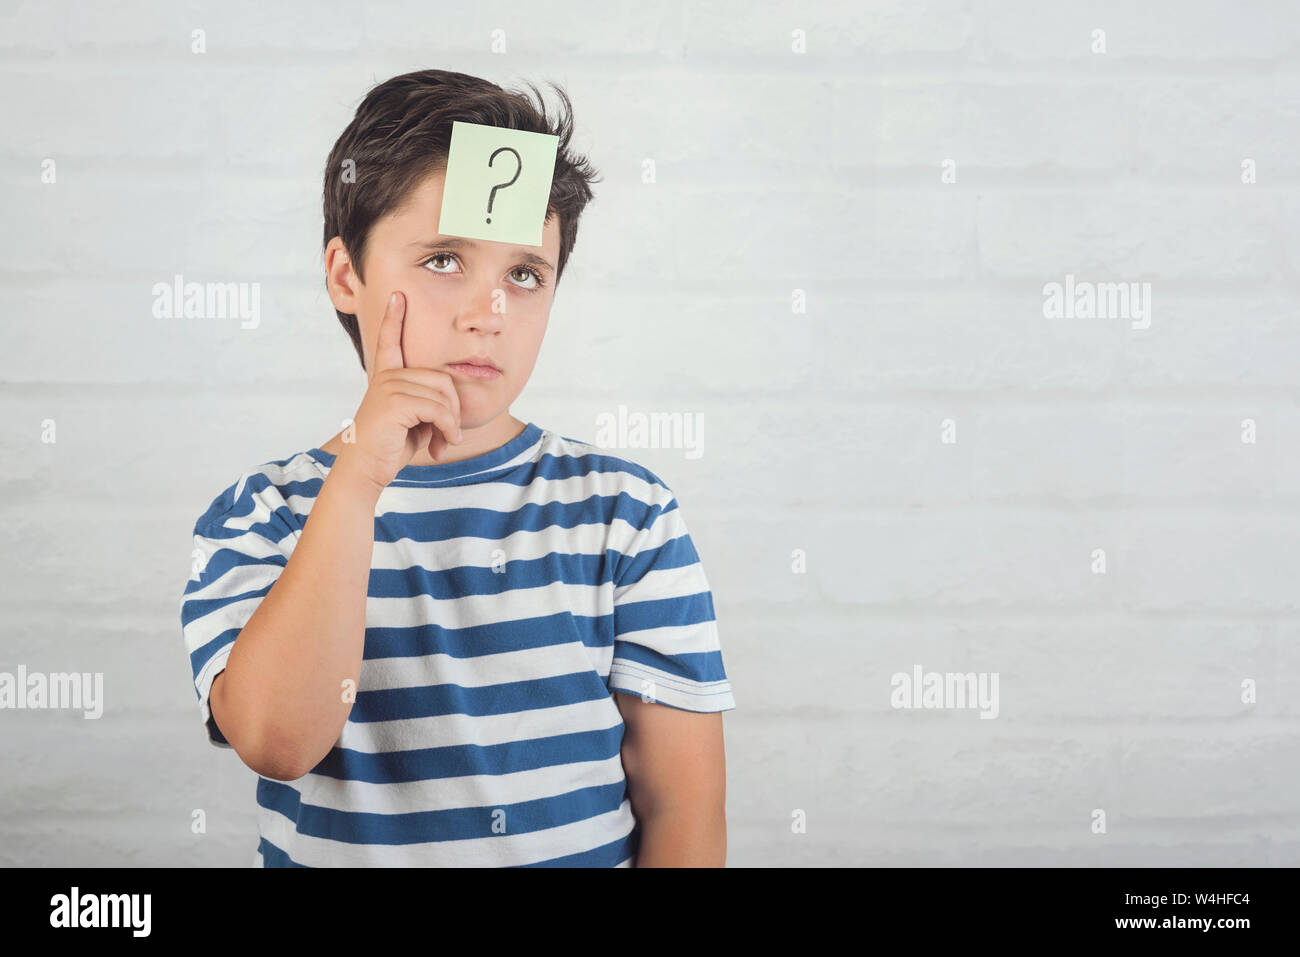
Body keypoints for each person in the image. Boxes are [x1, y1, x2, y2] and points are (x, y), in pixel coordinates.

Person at [178, 69, 735, 867]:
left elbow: (684, 810)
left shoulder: (626, 514)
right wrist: (360, 482)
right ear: (346, 276)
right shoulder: (260, 512)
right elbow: (276, 739)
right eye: (443, 260)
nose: (488, 314)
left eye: (524, 274)